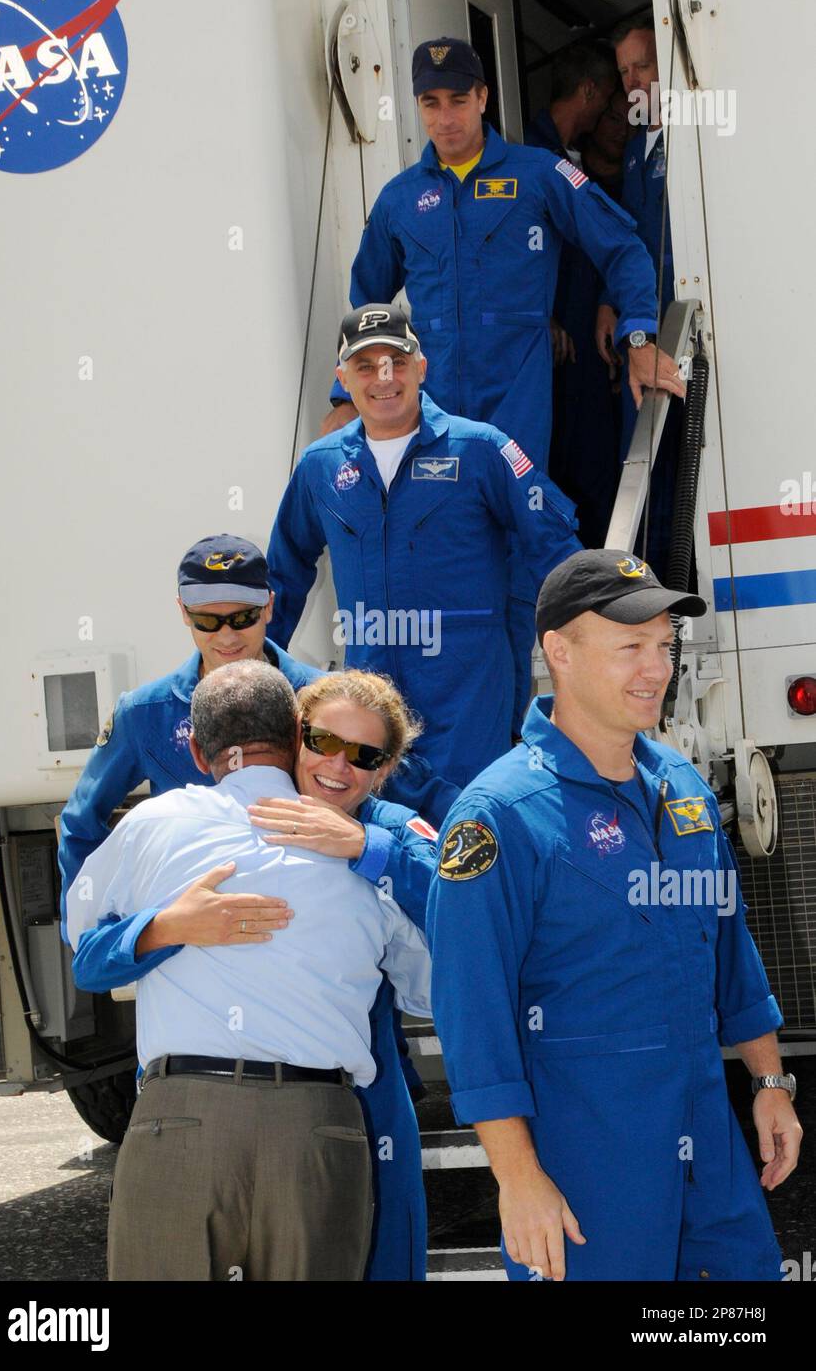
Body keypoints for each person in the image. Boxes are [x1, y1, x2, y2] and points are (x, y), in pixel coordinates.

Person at [428, 550, 802, 1282]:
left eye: (664, 646)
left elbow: (730, 950)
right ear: (558, 653)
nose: (655, 669)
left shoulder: (684, 786)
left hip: (710, 1152)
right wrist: (518, 1179)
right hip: (587, 1169)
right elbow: (472, 1015)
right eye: (631, 646)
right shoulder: (500, 816)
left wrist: (768, 1083)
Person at [321, 35, 684, 737]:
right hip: (431, 437)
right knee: (435, 587)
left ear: (484, 97)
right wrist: (346, 401)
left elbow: (624, 247)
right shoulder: (401, 200)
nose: (446, 116)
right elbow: (366, 303)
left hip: (516, 429)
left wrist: (640, 337)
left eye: (459, 99)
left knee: (523, 579)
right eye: (431, 102)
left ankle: (526, 743)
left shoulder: (539, 174)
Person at [69, 666, 439, 1282]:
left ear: (385, 769)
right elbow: (87, 956)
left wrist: (367, 851)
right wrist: (168, 926)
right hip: (241, 1118)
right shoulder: (171, 825)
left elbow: (465, 923)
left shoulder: (389, 835)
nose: (339, 767)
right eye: (325, 743)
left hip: (340, 1106)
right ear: (297, 737)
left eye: (365, 755)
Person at [58, 534, 454, 941]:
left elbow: (421, 793)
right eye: (207, 621)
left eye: (242, 617)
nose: (227, 635)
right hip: (199, 940)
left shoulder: (329, 702)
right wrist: (89, 929)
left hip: (327, 931)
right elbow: (82, 820)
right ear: (182, 612)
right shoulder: (145, 713)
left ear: (268, 605)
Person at [267, 304, 581, 789]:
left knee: (469, 827)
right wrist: (259, 673)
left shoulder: (480, 449)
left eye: (395, 361)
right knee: (377, 829)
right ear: (343, 379)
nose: (383, 377)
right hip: (368, 699)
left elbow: (555, 549)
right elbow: (282, 576)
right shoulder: (321, 466)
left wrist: (594, 638)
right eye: (365, 365)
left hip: (467, 695)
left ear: (421, 367)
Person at [525, 43, 623, 548]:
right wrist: (540, 316)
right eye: (607, 96)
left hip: (583, 351)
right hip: (550, 360)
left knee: (594, 476)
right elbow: (508, 255)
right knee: (571, 478)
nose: (609, 110)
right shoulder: (530, 159)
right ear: (588, 90)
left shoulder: (569, 160)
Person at [597, 14, 681, 576]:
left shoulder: (693, 139)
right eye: (624, 70)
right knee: (647, 458)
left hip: (680, 324)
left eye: (643, 65)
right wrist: (610, 299)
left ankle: (680, 575)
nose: (632, 81)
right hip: (641, 326)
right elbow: (623, 235)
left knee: (684, 458)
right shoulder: (634, 149)